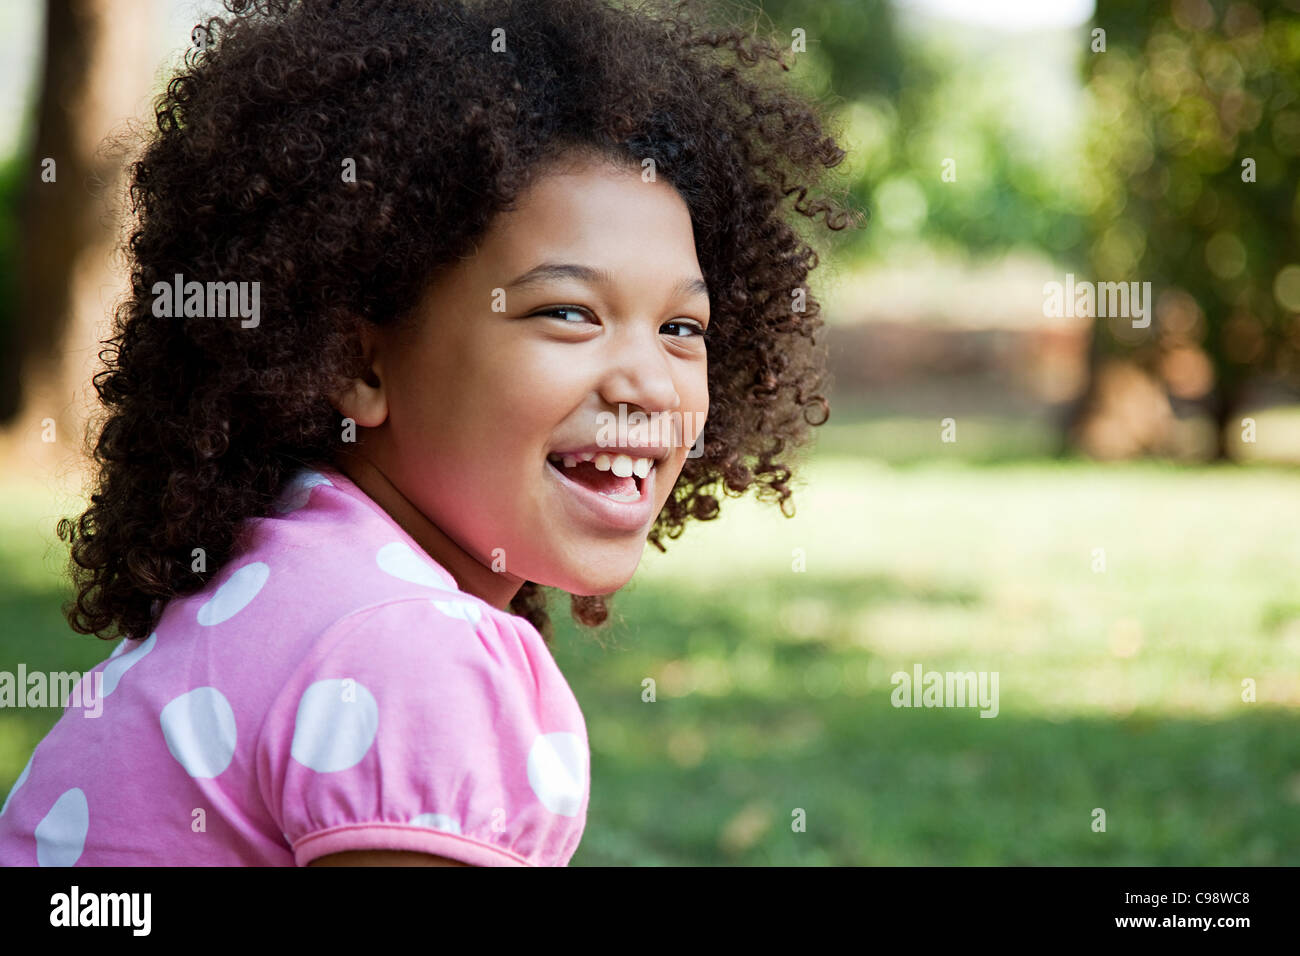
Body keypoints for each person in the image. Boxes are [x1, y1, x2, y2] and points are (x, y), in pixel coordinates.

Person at [0, 0, 854, 866]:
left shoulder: (287, 568)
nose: (646, 380)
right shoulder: (410, 651)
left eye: (682, 328)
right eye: (567, 311)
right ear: (355, 363)